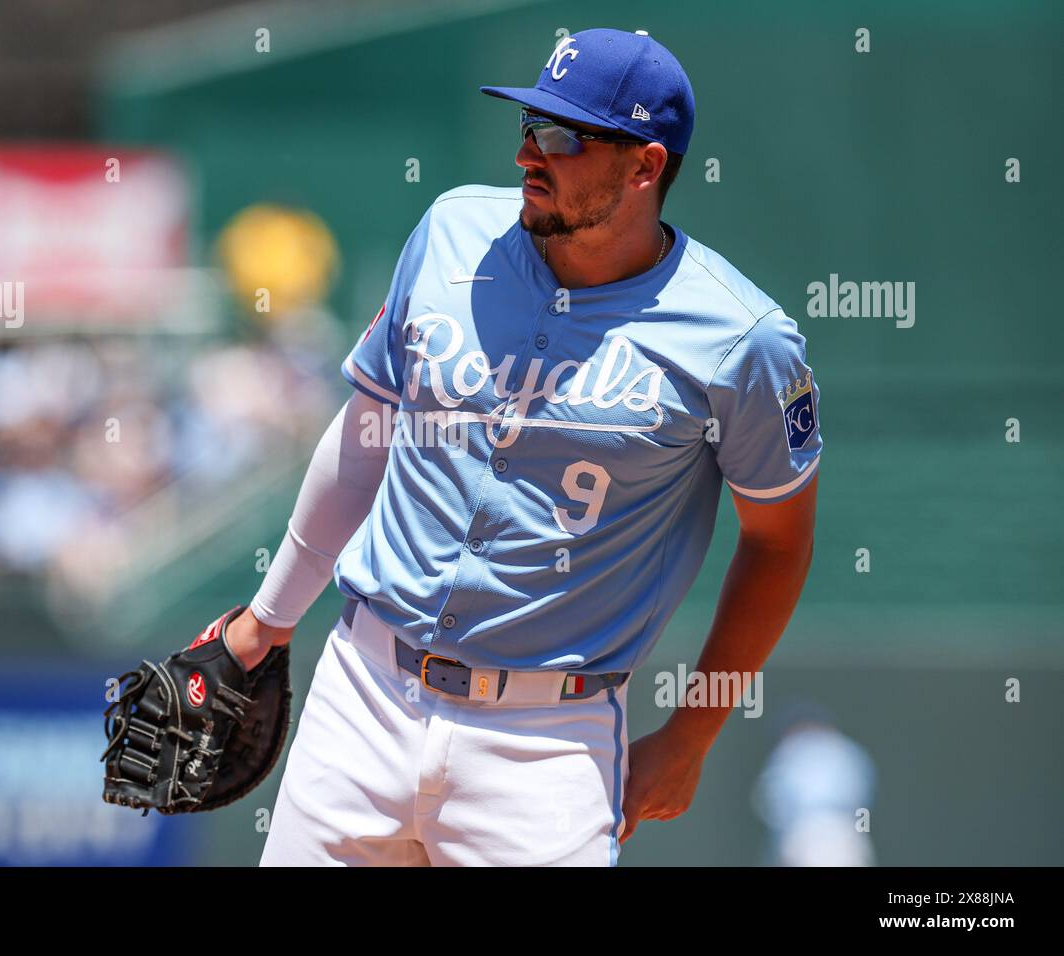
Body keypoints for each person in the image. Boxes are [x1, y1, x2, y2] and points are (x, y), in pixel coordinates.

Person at [221, 27, 821, 866]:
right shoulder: (451, 232)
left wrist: (692, 735)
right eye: (529, 126)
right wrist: (269, 620)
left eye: (563, 137)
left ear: (646, 167)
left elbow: (778, 543)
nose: (530, 155)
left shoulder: (740, 339)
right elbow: (367, 433)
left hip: (547, 742)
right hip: (363, 692)